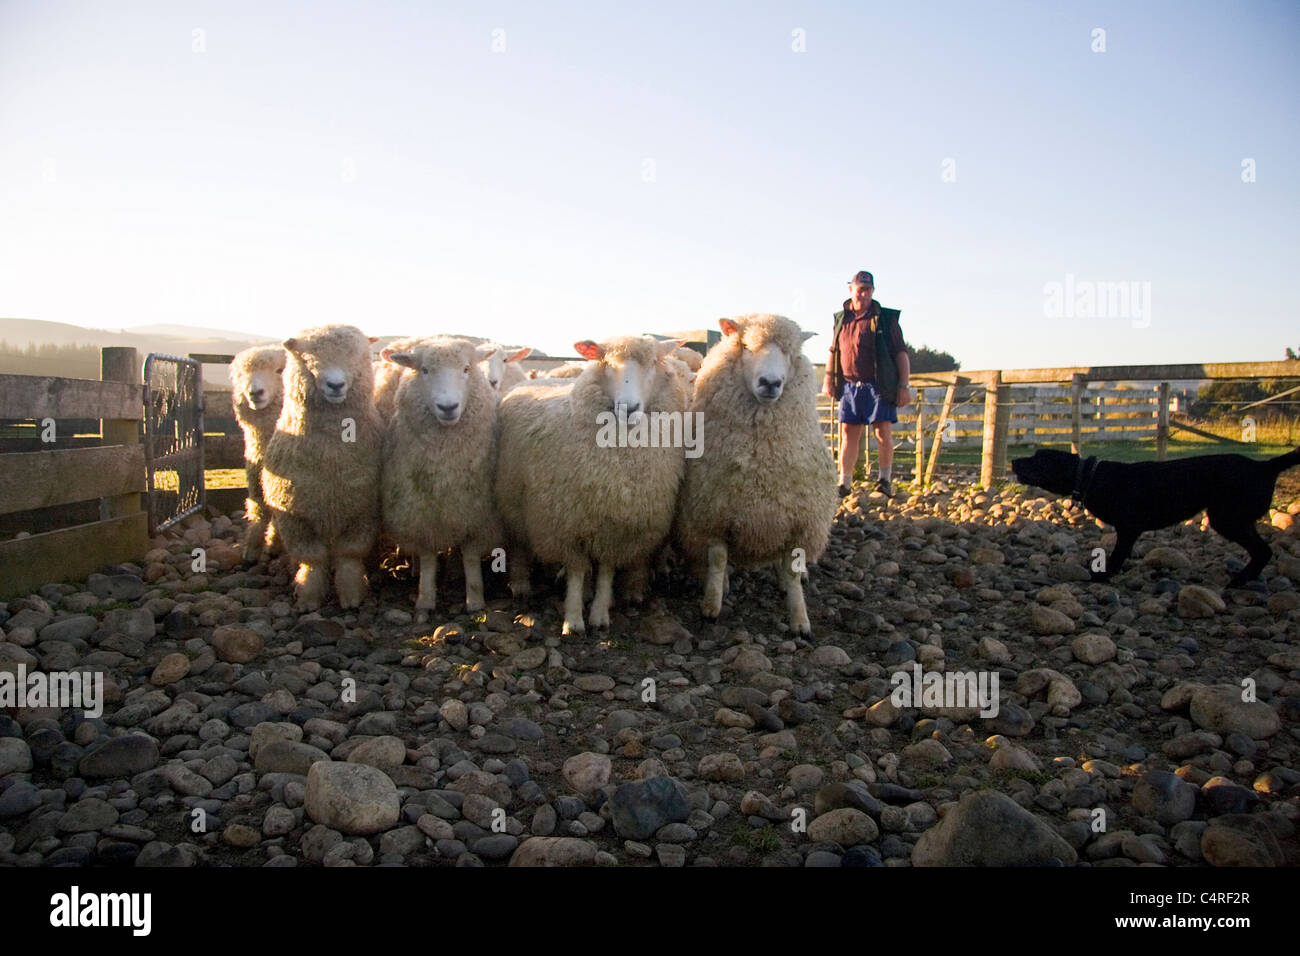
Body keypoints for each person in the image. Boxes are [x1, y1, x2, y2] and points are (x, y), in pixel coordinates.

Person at [825, 270, 911, 498]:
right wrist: (829, 378)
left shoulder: (885, 318)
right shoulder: (841, 318)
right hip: (850, 387)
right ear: (850, 289)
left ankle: (884, 480)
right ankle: (844, 483)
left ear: (872, 291)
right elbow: (834, 350)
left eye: (868, 290)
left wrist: (904, 386)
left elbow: (900, 353)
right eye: (859, 289)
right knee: (848, 433)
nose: (863, 294)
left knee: (883, 432)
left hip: (878, 384)